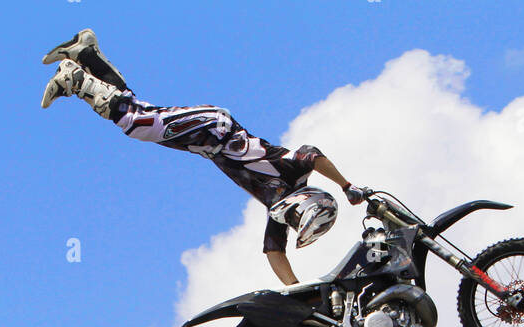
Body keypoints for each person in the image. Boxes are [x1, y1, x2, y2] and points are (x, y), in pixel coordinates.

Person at [40, 29, 367, 285]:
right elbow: (314, 153)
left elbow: (273, 251)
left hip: (206, 146)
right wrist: (346, 185)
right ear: (308, 202)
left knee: (138, 114)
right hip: (216, 128)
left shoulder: (276, 207)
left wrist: (299, 291)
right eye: (298, 218)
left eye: (294, 224)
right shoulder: (293, 170)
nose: (290, 221)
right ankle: (76, 79)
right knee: (138, 124)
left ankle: (87, 53)